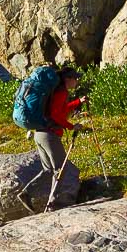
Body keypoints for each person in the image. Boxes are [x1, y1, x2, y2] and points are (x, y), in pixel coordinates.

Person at [33, 68, 85, 210]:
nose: (77, 80)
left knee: (48, 170)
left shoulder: (55, 92)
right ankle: (52, 203)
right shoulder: (61, 92)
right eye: (75, 78)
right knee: (60, 169)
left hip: (39, 133)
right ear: (67, 79)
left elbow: (60, 109)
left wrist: (78, 102)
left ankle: (25, 192)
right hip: (50, 135)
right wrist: (71, 126)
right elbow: (56, 115)